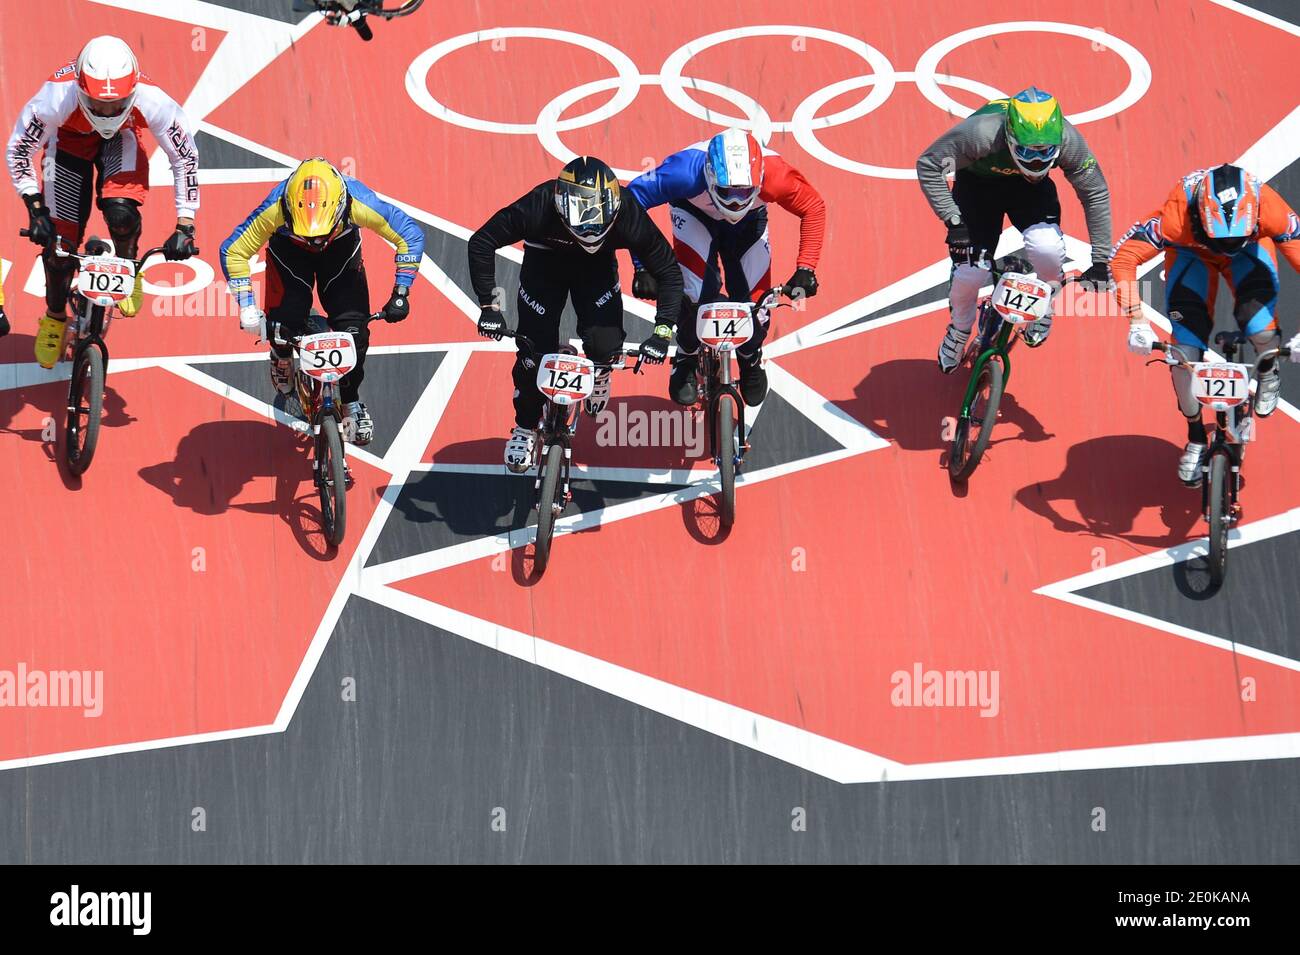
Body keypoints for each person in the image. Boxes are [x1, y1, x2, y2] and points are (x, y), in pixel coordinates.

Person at [469, 156, 683, 473]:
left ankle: (601, 372)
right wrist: (489, 306)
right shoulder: (539, 204)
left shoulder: (627, 212)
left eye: (597, 222)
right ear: (560, 203)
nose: (588, 229)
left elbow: (668, 271)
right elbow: (482, 241)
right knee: (532, 354)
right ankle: (525, 427)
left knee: (605, 346)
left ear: (612, 207)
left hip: (595, 269)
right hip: (545, 260)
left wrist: (663, 331)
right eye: (580, 222)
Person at [6, 35, 199, 368]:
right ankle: (54, 316)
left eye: (117, 103)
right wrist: (35, 209)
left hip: (122, 140)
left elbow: (185, 159)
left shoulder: (153, 100)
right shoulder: (53, 98)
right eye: (97, 104)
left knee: (121, 215)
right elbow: (18, 152)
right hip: (66, 144)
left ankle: (128, 266)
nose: (107, 112)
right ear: (80, 90)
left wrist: (185, 223)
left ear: (133, 91)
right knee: (59, 247)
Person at [1113, 163, 1300, 484]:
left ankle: (1268, 369)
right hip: (1191, 255)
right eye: (1219, 240)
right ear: (1199, 218)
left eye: (1233, 239)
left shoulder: (1269, 207)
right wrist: (1136, 321)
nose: (1224, 248)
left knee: (1261, 330)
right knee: (1182, 354)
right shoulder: (1176, 215)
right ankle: (1196, 435)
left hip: (1250, 252)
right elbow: (1124, 259)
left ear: (1254, 218)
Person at [220, 157, 422, 445]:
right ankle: (280, 355)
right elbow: (234, 251)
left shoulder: (360, 202)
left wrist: (401, 292)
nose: (315, 241)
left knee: (357, 334)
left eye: (321, 235)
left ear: (342, 209)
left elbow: (410, 236)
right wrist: (248, 307)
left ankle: (351, 400)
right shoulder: (275, 207)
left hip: (340, 254)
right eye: (309, 235)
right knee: (282, 324)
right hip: (289, 254)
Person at [916, 87, 1113, 372]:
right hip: (977, 189)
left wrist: (1101, 259)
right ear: (1008, 136)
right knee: (970, 273)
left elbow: (1095, 193)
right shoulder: (980, 133)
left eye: (1045, 153)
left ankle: (1044, 303)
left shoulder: (1068, 140)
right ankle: (959, 330)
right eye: (1026, 152)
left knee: (1048, 251)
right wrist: (953, 220)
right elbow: (929, 165)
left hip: (1029, 191)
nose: (1035, 161)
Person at [627, 127, 825, 406]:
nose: (734, 200)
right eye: (726, 191)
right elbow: (632, 200)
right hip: (694, 212)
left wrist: (806, 267)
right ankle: (685, 354)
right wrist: (641, 266)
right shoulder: (684, 172)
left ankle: (750, 356)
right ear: (709, 175)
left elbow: (813, 207)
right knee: (694, 296)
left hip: (748, 223)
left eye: (744, 191)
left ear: (758, 182)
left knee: (756, 304)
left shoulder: (775, 175)